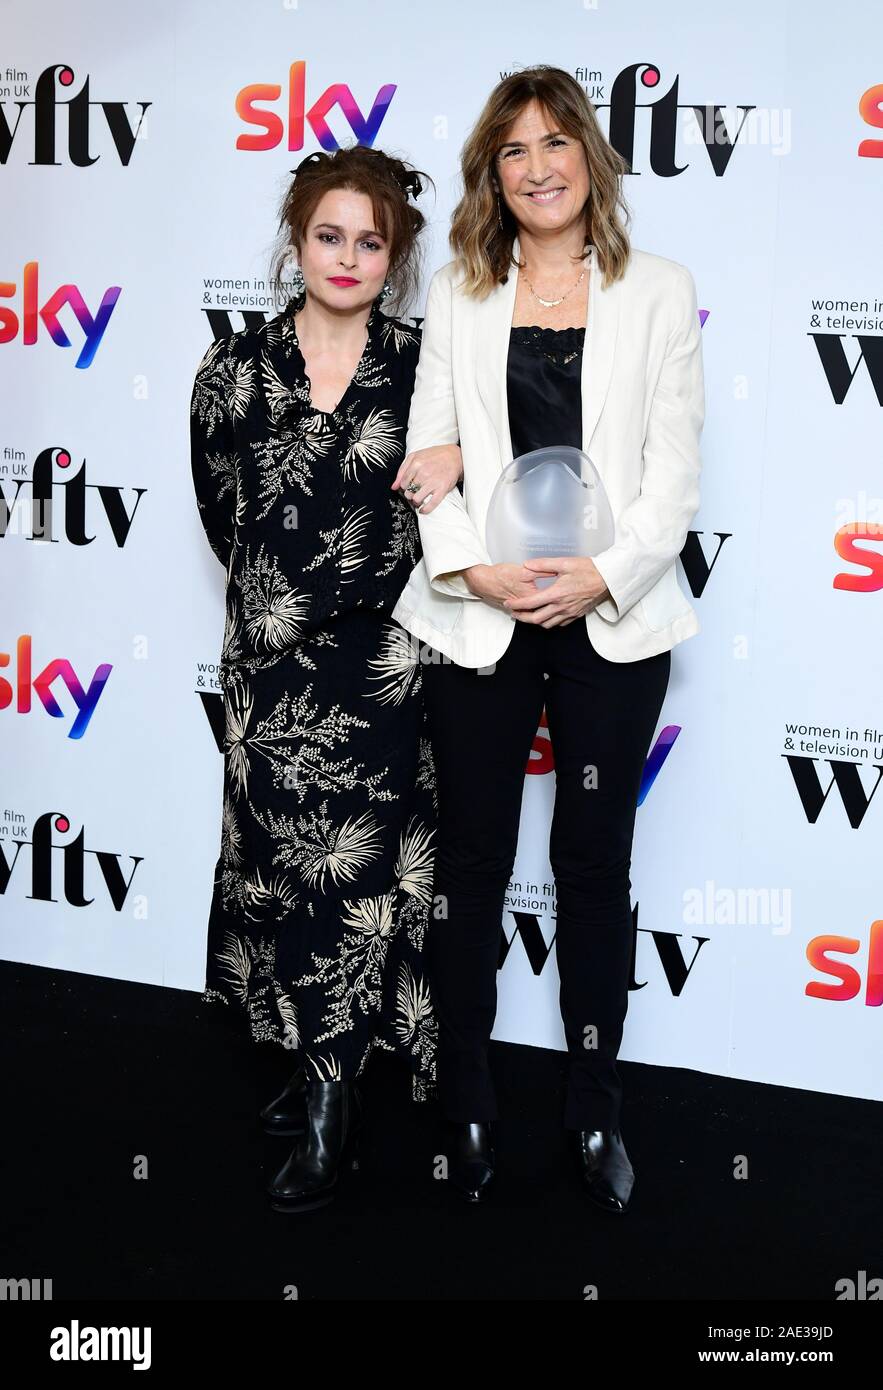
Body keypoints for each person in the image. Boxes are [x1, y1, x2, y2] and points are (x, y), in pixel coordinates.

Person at [391, 66, 705, 1213]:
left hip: (609, 619)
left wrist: (600, 576)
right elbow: (430, 456)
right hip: (482, 613)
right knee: (471, 862)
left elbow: (672, 479)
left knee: (590, 866)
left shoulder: (660, 292)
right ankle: (465, 1097)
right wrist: (477, 567)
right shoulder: (462, 293)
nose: (537, 166)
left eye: (555, 142)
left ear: (589, 158)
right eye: (514, 150)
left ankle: (590, 1107)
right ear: (495, 174)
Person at [189, 145, 463, 1213]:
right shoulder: (233, 369)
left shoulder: (425, 367)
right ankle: (308, 1068)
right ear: (296, 240)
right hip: (267, 674)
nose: (347, 257)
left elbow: (455, 502)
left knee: (356, 886)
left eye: (371, 240)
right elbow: (223, 510)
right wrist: (279, 603)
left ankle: (332, 1107)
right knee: (281, 878)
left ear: (394, 258)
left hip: (381, 673)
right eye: (328, 235)